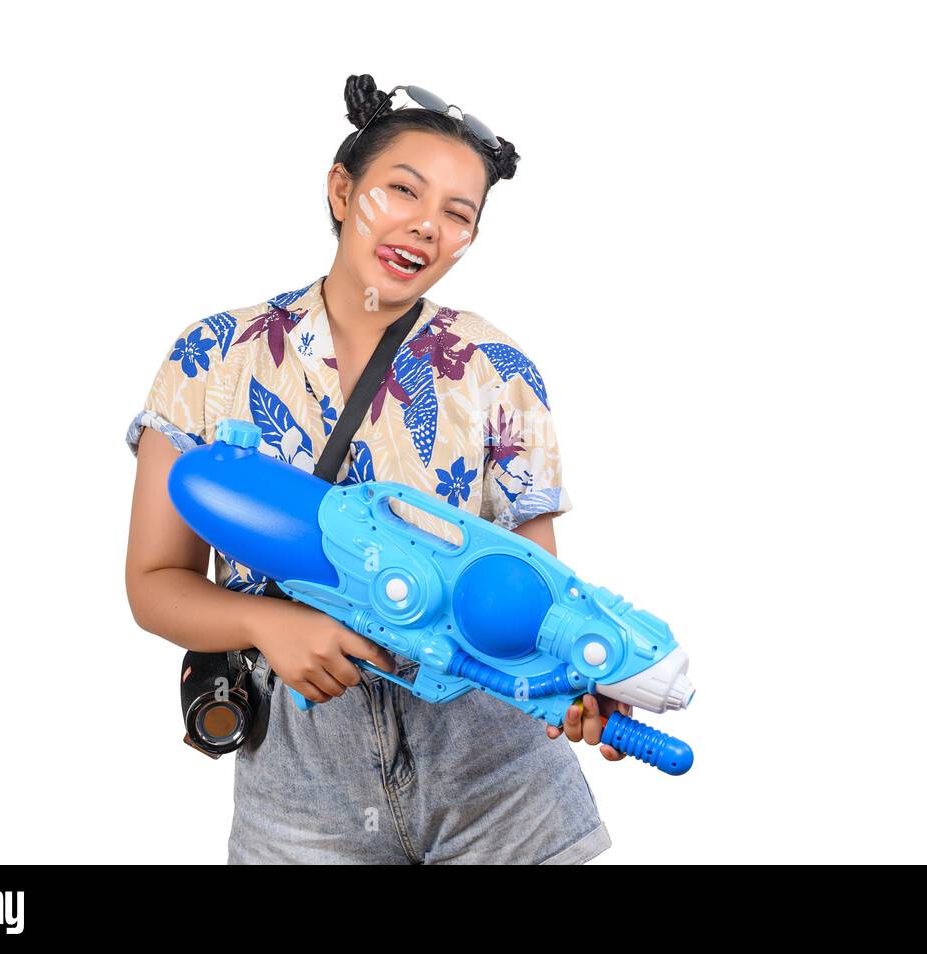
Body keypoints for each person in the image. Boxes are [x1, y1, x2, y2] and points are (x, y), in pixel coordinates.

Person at [124, 74, 631, 864]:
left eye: (457, 214)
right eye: (403, 190)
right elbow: (154, 581)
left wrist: (577, 681)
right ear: (341, 189)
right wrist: (267, 622)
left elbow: (534, 591)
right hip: (301, 784)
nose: (426, 227)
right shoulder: (212, 357)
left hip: (496, 773)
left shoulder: (498, 370)